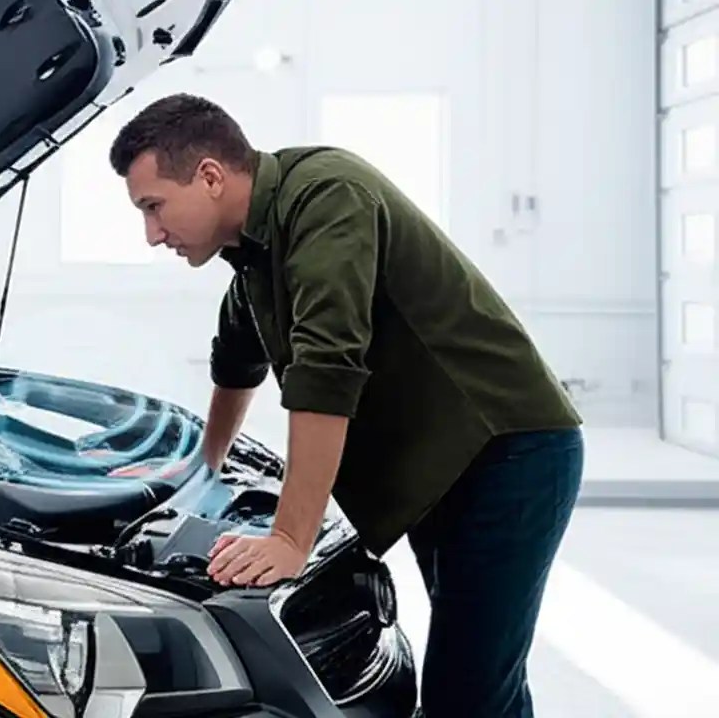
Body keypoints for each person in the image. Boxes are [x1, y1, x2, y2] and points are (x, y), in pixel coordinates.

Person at [107, 93, 584, 718]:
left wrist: (289, 537)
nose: (152, 234)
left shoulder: (327, 197)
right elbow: (236, 363)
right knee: (485, 680)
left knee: (465, 694)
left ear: (210, 177)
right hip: (446, 468)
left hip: (507, 452)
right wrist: (201, 471)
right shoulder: (252, 252)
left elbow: (328, 368)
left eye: (154, 207)